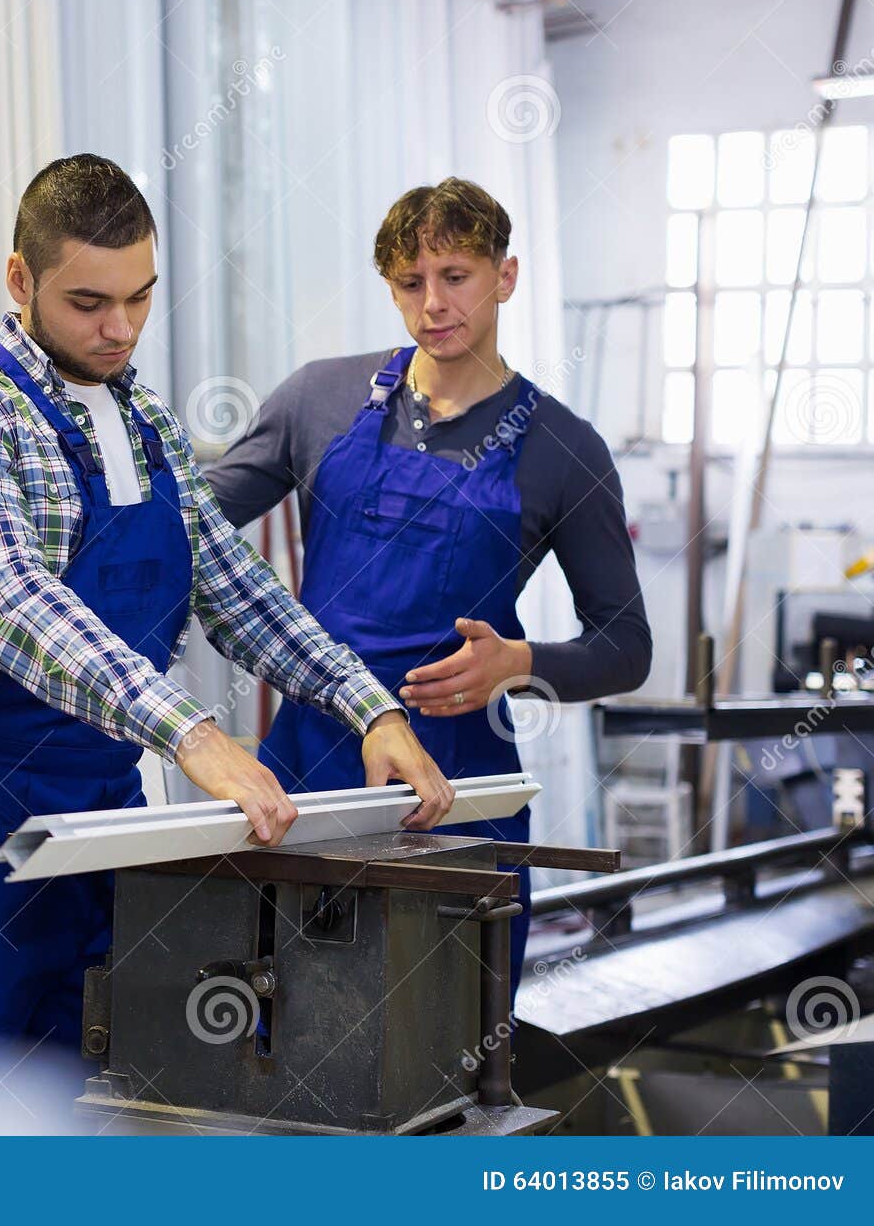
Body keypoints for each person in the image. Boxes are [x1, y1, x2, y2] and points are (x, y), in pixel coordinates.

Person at [0, 155, 454, 1062]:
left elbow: (235, 586)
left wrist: (365, 703)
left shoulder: (147, 422)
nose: (120, 328)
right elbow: (9, 602)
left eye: (139, 298)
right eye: (88, 302)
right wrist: (192, 734)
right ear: (20, 279)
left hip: (107, 823)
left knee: (101, 1098)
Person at [206, 177, 651, 992]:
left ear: (504, 277)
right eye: (411, 283)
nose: (432, 305)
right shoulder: (320, 398)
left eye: (457, 277)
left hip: (459, 790)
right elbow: (189, 527)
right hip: (308, 774)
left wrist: (517, 662)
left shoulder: (564, 447)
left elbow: (626, 646)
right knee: (278, 1019)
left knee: (443, 1039)